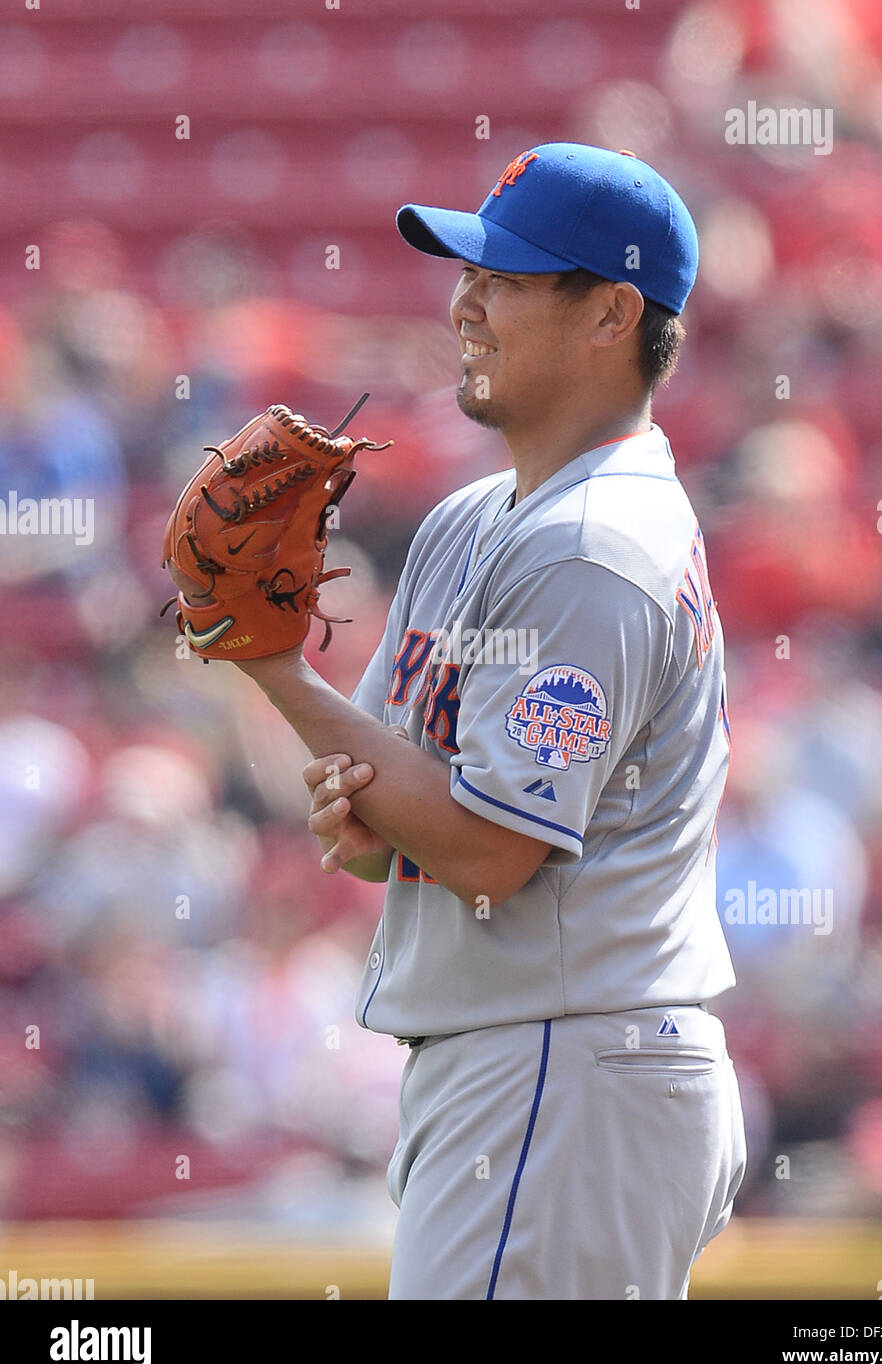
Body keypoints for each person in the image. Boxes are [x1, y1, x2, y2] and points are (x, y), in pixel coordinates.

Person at [232, 143, 746, 1299]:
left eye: (506, 277)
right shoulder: (477, 519)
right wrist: (365, 800)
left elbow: (488, 851)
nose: (464, 300)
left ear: (613, 312)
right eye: (467, 270)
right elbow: (377, 824)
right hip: (524, 1062)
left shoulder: (595, 548)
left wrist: (276, 673)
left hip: (567, 1059)